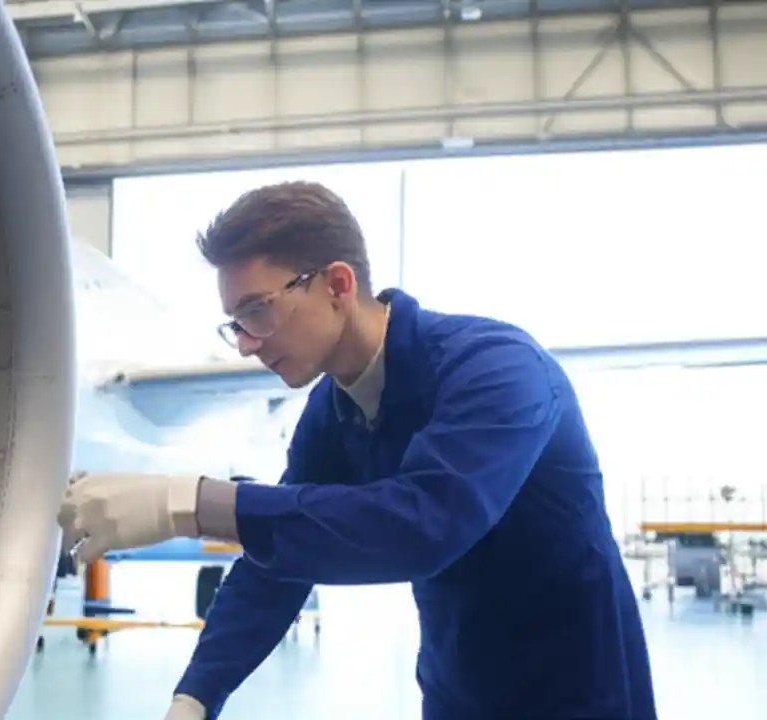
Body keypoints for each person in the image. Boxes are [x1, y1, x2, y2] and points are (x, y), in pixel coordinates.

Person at [57, 181, 656, 720]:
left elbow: (423, 524)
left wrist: (187, 502)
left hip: (578, 698)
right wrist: (195, 697)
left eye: (257, 312)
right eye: (235, 324)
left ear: (338, 285)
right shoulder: (336, 407)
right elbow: (283, 559)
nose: (245, 346)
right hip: (457, 696)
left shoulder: (498, 370)